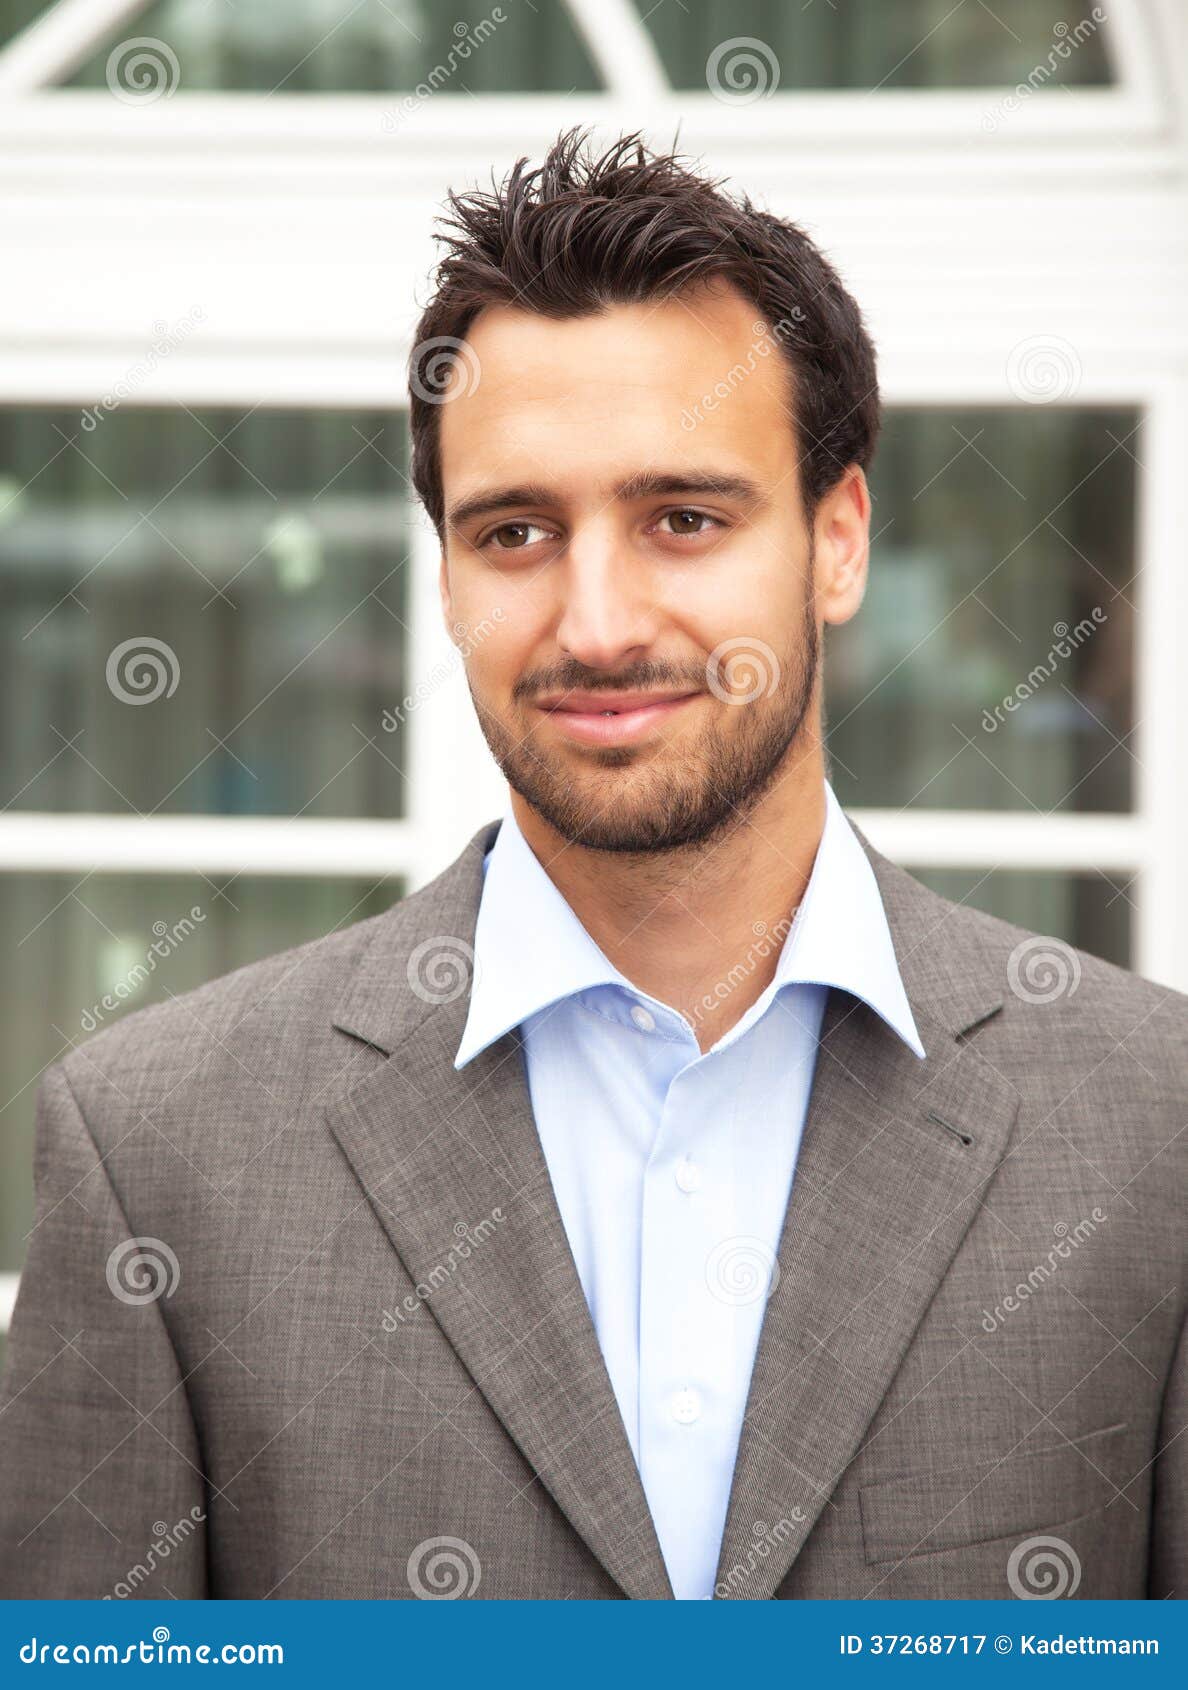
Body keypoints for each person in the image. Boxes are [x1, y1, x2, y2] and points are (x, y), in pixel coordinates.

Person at [0, 128, 1183, 1601]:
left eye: (683, 517)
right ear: (445, 577)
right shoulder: (156, 1157)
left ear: (838, 539)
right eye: (517, 531)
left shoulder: (1158, 1133)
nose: (600, 620)